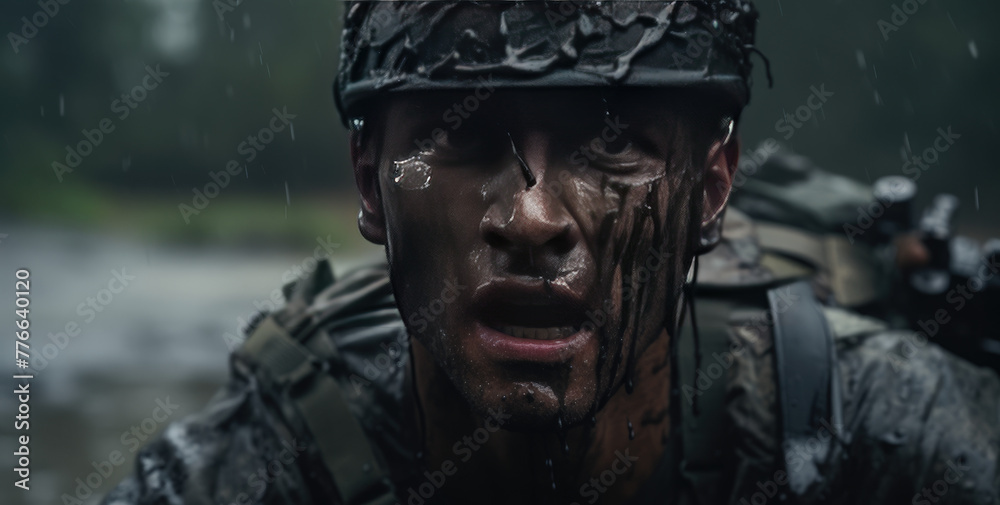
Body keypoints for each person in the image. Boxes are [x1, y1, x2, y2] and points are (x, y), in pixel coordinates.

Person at [102, 1, 1000, 504]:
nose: (531, 220)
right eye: (463, 139)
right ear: (372, 185)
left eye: (613, 142)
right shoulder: (274, 460)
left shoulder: (863, 417)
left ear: (713, 190)